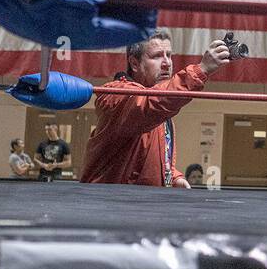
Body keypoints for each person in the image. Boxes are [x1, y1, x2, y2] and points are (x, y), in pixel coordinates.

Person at [79, 29, 232, 187]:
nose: (167, 63)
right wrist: (201, 70)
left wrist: (174, 177)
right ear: (134, 64)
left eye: (169, 55)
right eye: (157, 56)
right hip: (109, 204)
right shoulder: (118, 96)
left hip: (137, 203)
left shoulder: (160, 109)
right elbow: (151, 104)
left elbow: (154, 159)